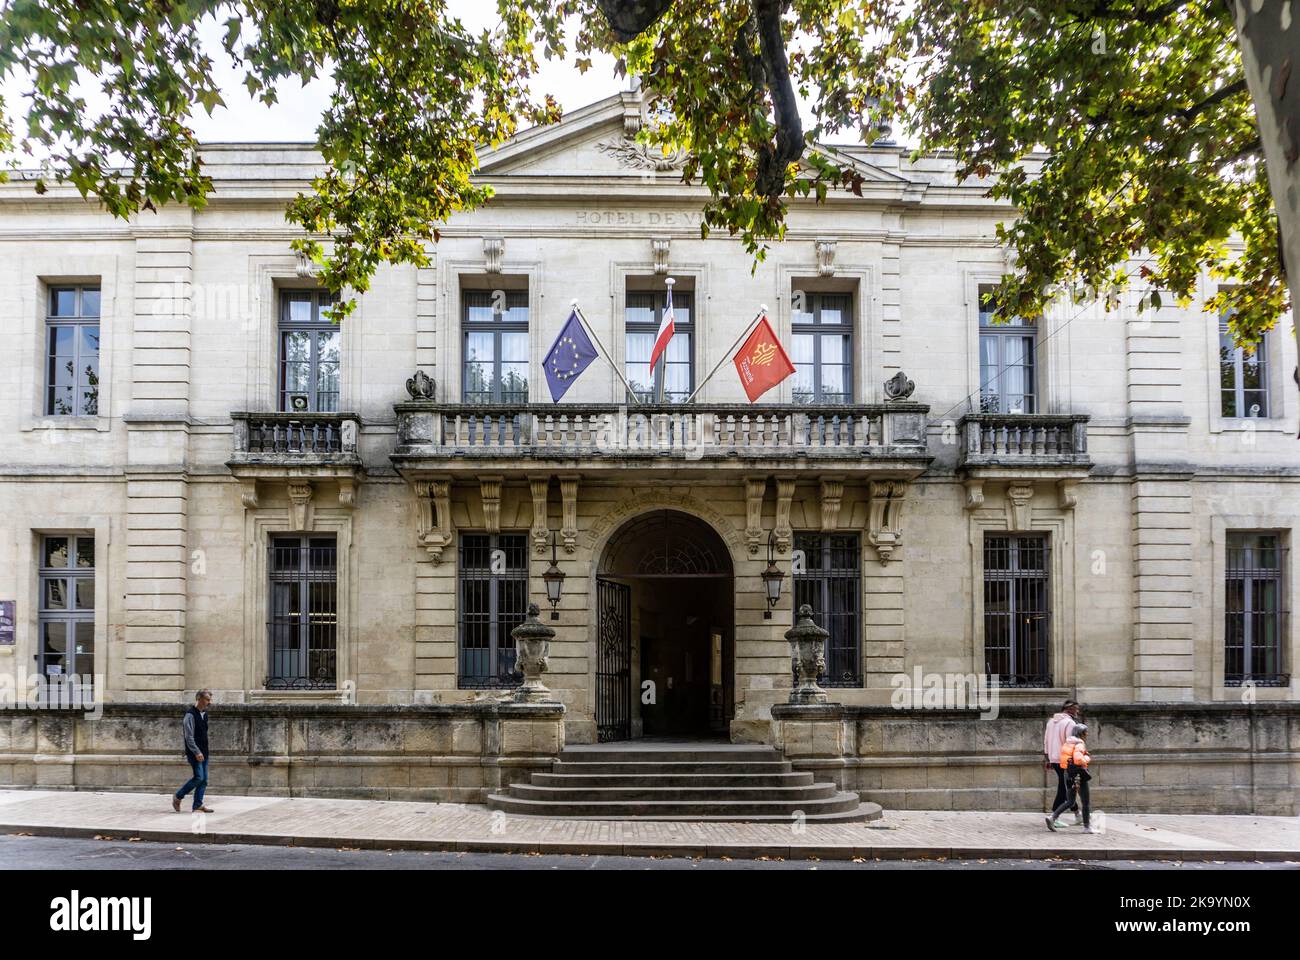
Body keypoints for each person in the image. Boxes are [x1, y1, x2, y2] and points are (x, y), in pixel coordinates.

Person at [1046, 723, 1093, 833]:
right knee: (1085, 802)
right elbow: (1078, 759)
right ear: (1081, 733)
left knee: (1070, 801)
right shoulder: (1079, 744)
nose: (1087, 734)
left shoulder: (1067, 743)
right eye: (1086, 732)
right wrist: (1086, 757)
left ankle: (1052, 817)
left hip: (1068, 773)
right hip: (1079, 774)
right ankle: (1087, 827)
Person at [172, 689, 214, 813]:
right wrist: (196, 752)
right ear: (199, 699)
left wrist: (203, 751)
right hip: (195, 753)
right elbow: (189, 737)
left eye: (210, 699)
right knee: (198, 777)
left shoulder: (204, 714)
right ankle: (178, 796)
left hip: (204, 752)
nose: (209, 702)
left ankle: (197, 805)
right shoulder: (190, 715)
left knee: (204, 780)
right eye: (207, 699)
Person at [1043, 700, 1082, 824]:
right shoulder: (1070, 723)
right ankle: (1054, 816)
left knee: (1066, 786)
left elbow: (1046, 741)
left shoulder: (1051, 722)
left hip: (1054, 758)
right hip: (1065, 760)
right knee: (1065, 788)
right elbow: (1070, 742)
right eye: (1076, 709)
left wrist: (1047, 758)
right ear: (1070, 709)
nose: (1078, 712)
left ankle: (1077, 814)